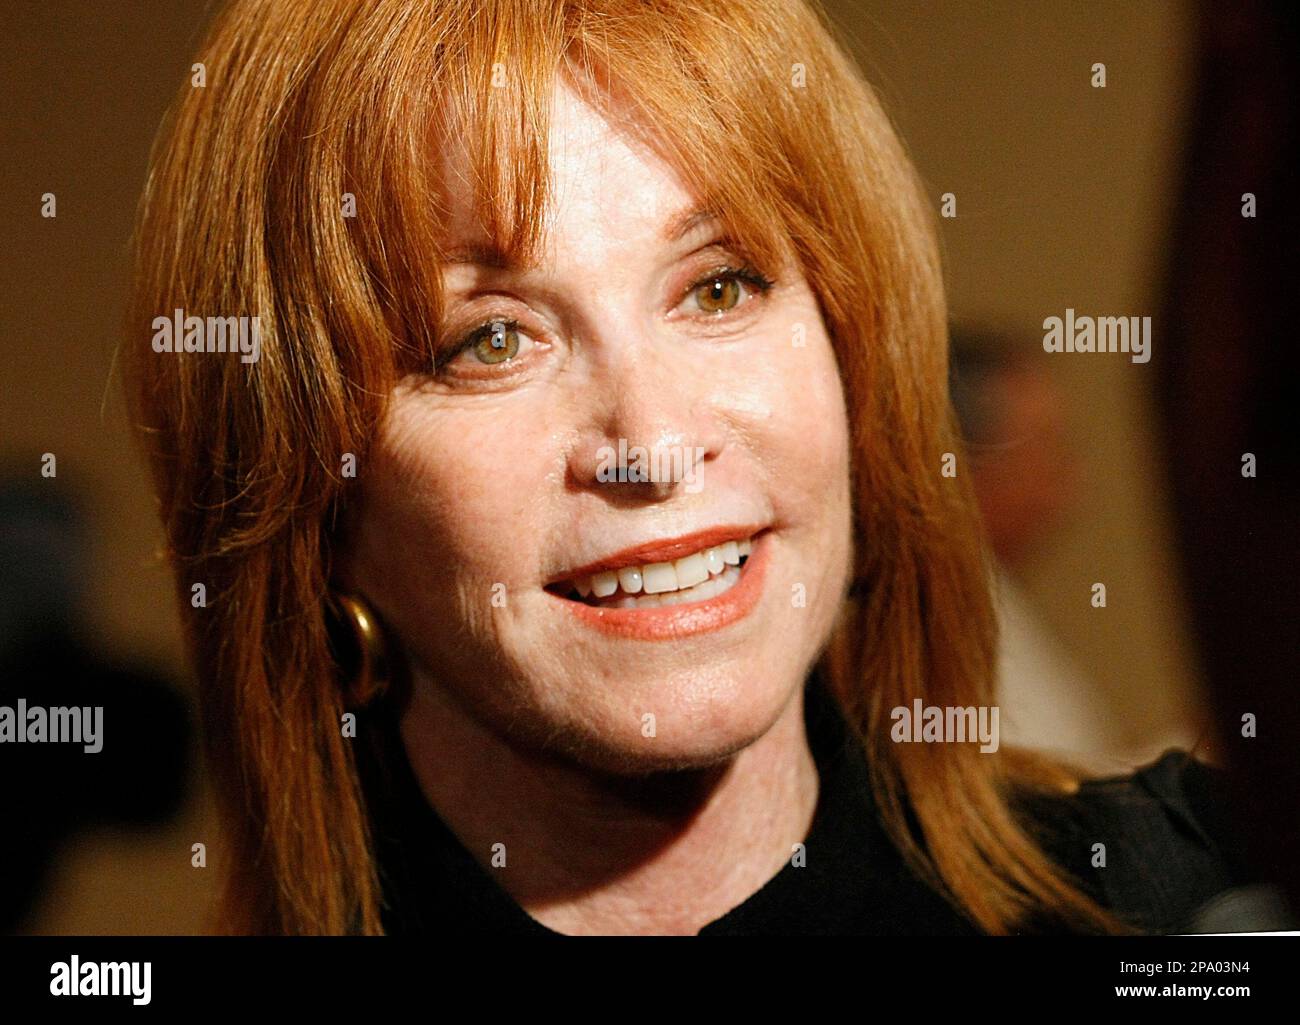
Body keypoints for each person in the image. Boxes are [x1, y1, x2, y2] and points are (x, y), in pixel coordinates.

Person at [122, 0, 1278, 935]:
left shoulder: (1192, 915)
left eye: (718, 286)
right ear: (310, 493)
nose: (653, 439)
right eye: (490, 339)